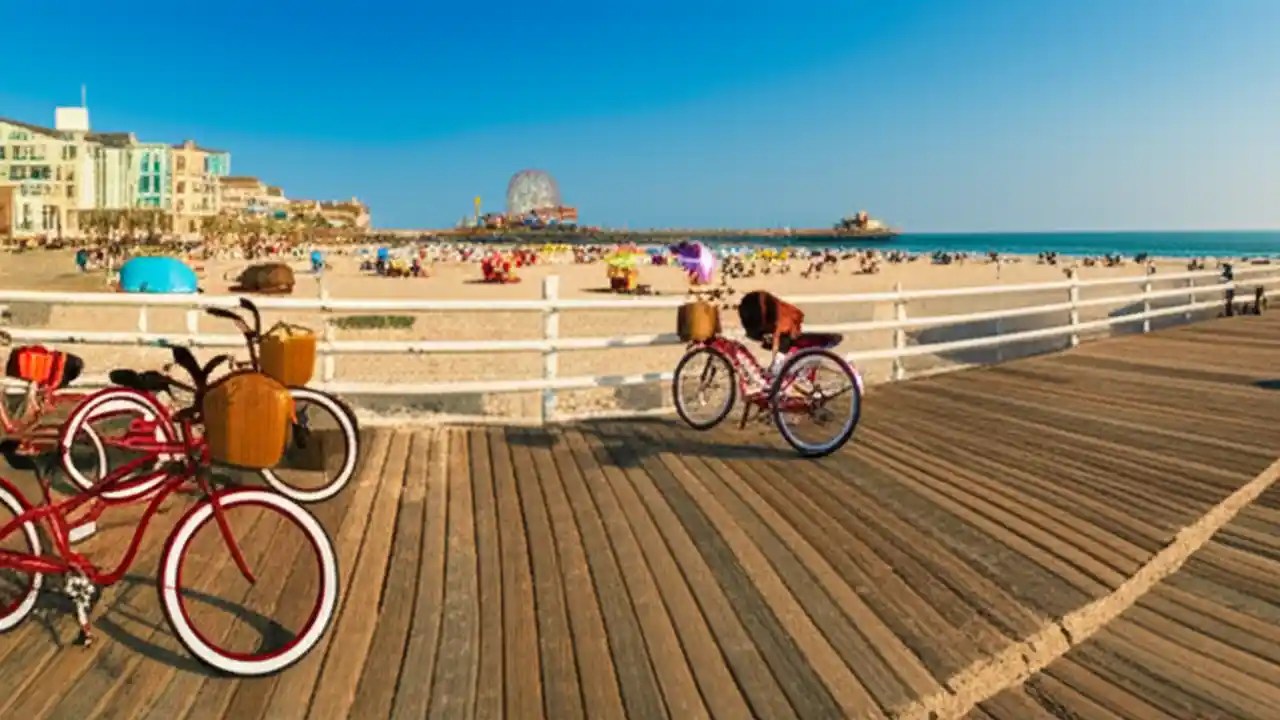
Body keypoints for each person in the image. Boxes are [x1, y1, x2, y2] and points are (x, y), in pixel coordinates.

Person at [738, 290, 804, 375]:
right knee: (780, 341)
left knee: (780, 340)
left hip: (756, 304)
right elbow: (778, 340)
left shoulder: (786, 321)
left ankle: (777, 366)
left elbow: (778, 340)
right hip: (759, 307)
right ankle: (777, 366)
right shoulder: (786, 320)